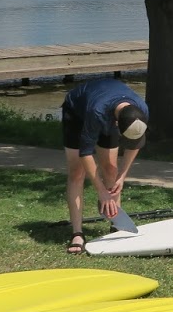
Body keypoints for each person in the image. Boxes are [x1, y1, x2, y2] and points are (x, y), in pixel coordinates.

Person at [61, 77, 148, 253]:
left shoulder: (142, 110)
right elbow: (85, 153)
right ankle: (77, 233)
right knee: (77, 172)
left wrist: (122, 176)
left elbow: (135, 145)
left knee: (111, 169)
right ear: (116, 124)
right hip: (77, 114)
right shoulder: (97, 112)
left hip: (108, 109)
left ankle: (116, 226)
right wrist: (101, 191)